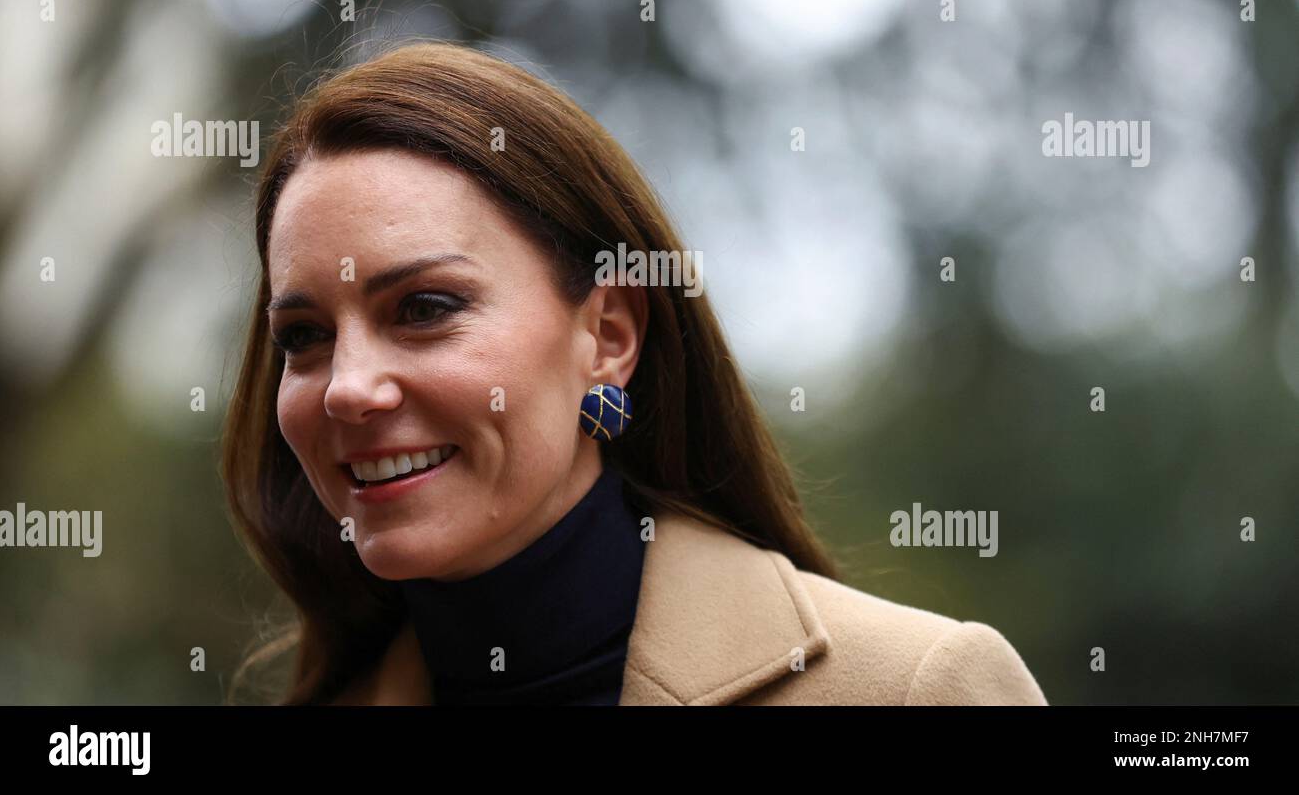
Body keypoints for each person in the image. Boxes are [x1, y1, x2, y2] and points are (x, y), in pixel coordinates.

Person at [220, 40, 1047, 706]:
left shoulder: (917, 688)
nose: (349, 388)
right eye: (304, 335)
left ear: (608, 336)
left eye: (425, 308)